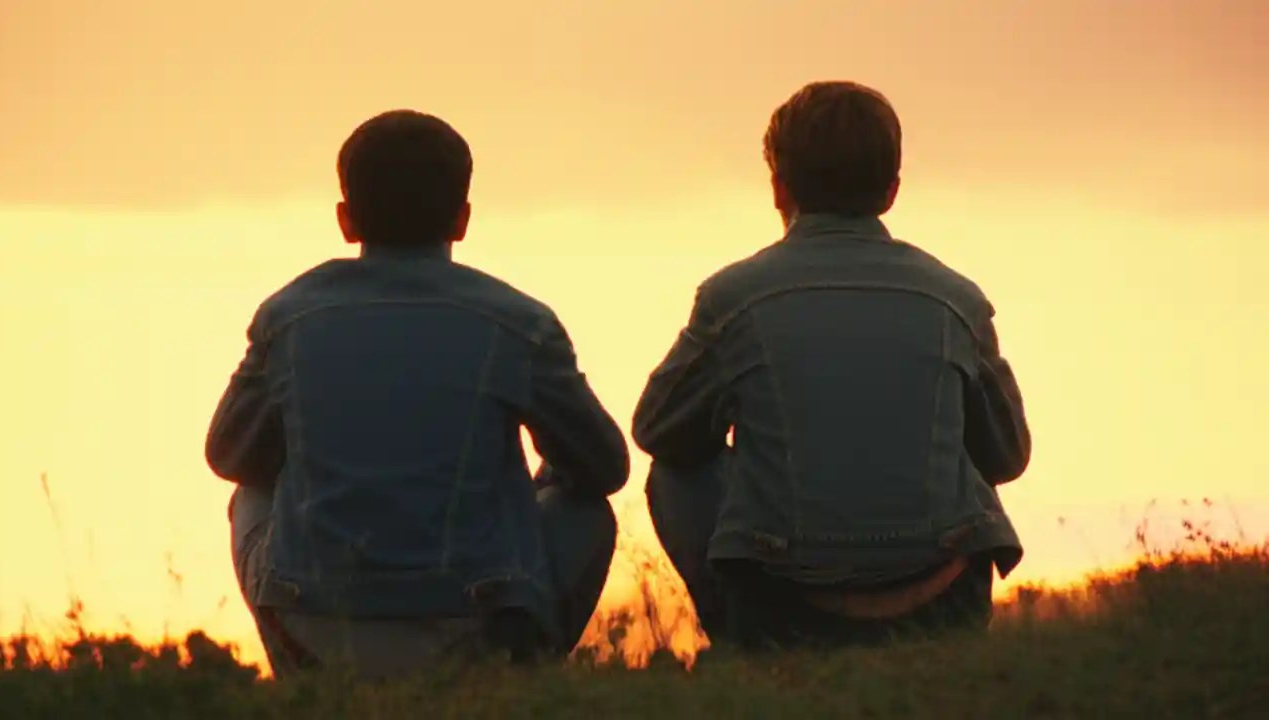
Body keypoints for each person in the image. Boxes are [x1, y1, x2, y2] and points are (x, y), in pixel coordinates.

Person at [206, 110, 629, 678]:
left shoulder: (287, 316)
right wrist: (539, 483)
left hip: (315, 621)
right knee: (584, 509)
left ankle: (305, 677)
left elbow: (227, 456)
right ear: (462, 219)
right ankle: (516, 679)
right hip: (475, 624)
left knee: (252, 491)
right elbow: (604, 469)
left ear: (346, 220)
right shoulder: (520, 322)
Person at [634, 81, 1031, 650]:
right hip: (941, 600)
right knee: (967, 439)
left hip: (784, 602)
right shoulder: (958, 301)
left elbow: (657, 431)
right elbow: (1008, 455)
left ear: (779, 187)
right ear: (892, 191)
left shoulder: (733, 298)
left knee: (674, 473)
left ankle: (741, 643)